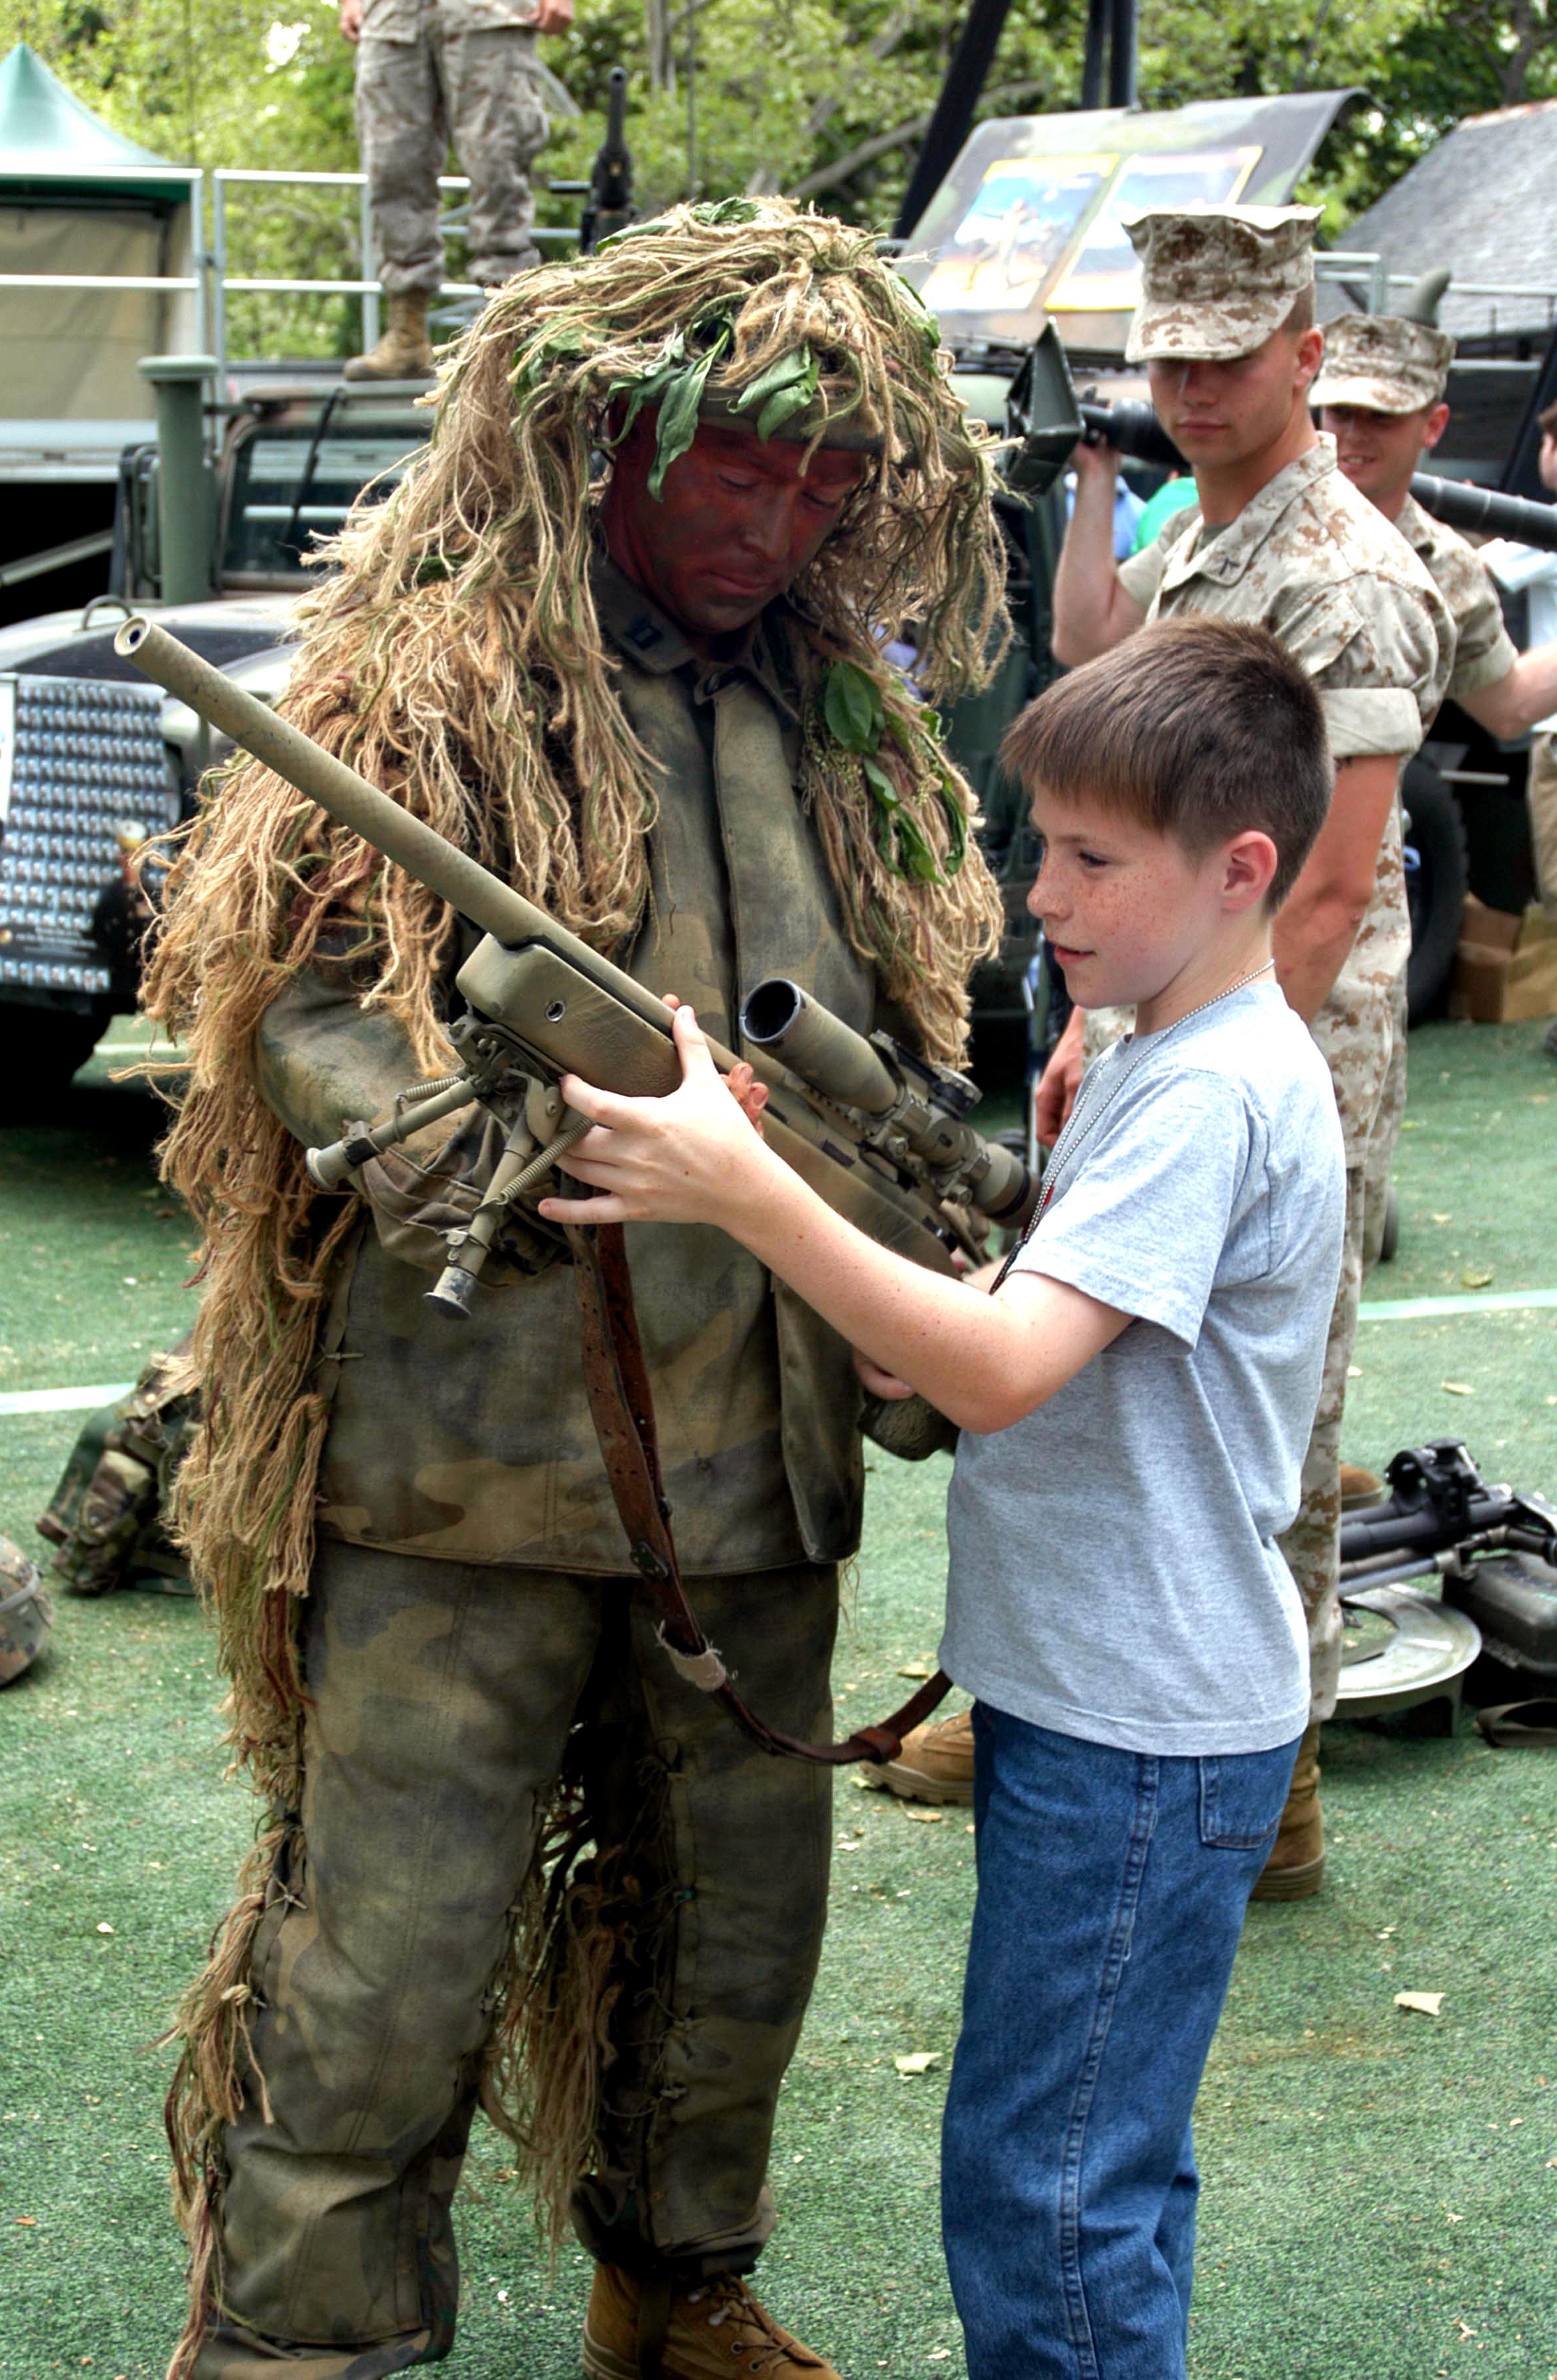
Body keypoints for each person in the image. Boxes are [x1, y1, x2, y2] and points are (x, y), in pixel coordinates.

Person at [140, 199, 1007, 2380]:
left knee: (740, 1942)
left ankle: (678, 2286)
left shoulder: (837, 715)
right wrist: (432, 1140)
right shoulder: (433, 681)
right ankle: (301, 2352)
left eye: (824, 476)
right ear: (603, 435)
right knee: (387, 1959)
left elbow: (899, 1003)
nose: (778, 513)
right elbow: (296, 983)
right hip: (468, 1461)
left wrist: (923, 1217)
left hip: (764, 1455)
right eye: (739, 461)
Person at [538, 615, 1347, 2380]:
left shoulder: (1209, 1090)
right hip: (1121, 1708)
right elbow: (1036, 1345)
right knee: (1094, 2165)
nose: (1037, 893)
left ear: (1242, 869)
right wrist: (929, 1319)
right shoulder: (1161, 1044)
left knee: (1047, 2192)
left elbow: (1000, 1375)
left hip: (1141, 1729)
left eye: (1087, 859)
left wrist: (744, 1189)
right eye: (1034, 842)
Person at [883, 206, 1455, 1897]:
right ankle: (1072, 1705)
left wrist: (1149, 1052)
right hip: (1168, 1004)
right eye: (1168, 360)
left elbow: (1329, 879)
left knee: (1260, 1420)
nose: (1190, 389)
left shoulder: (1347, 574)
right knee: (1116, 1381)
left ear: (1303, 355)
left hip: (1283, 1036)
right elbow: (1087, 665)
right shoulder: (1199, 543)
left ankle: (1259, 1784)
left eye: (1224, 359)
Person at [1313, 319, 1557, 1186]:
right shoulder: (1243, 515)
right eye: (1336, 411)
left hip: (1354, 924)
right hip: (1220, 883)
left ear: (1434, 426)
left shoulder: (1445, 565)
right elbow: (1093, 635)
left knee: (1338, 1194)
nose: (1351, 436)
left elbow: (1510, 705)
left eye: (1381, 417)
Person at [339, 0, 571, 381]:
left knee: (498, 157)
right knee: (392, 164)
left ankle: (506, 330)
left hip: (488, 12)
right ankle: (407, 332)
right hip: (392, 15)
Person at [1477, 398, 1557, 1047]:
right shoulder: (1543, 527)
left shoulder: (1544, 536)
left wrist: (1458, 528)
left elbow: (1486, 562)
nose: (1551, 456)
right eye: (1549, 442)